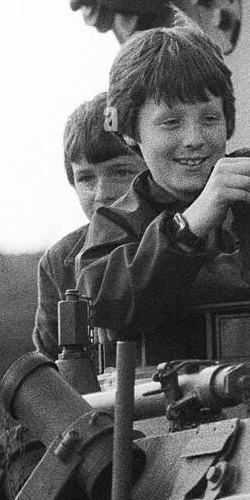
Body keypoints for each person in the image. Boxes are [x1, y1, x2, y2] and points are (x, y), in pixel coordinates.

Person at [75, 25, 250, 363]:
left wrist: (162, 293)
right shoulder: (114, 222)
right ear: (131, 132)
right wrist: (187, 227)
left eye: (209, 118)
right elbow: (106, 301)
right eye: (171, 123)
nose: (194, 138)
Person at [32, 94, 146, 357]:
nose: (101, 194)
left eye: (120, 172)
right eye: (85, 178)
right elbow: (50, 372)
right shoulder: (58, 264)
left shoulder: (180, 236)